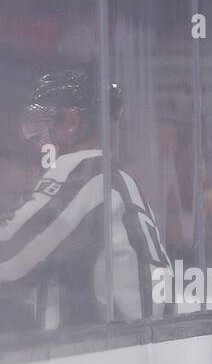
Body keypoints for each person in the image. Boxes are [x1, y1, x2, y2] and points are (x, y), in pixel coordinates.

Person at [0, 67, 171, 332]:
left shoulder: (85, 175)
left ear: (71, 122)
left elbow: (7, 255)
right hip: (132, 350)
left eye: (37, 126)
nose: (34, 141)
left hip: (101, 356)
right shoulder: (115, 181)